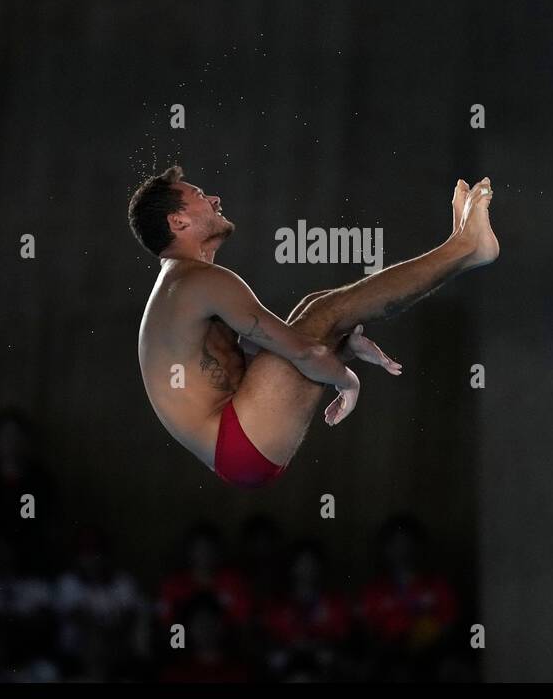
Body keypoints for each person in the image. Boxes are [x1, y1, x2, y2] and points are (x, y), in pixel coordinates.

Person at [129, 167, 498, 487]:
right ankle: (463, 247)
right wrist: (347, 380)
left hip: (237, 447)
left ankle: (460, 251)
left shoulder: (181, 285)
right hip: (239, 440)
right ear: (178, 222)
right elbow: (303, 351)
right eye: (199, 196)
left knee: (314, 309)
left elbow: (250, 355)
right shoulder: (198, 281)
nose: (214, 197)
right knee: (327, 310)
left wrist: (341, 345)